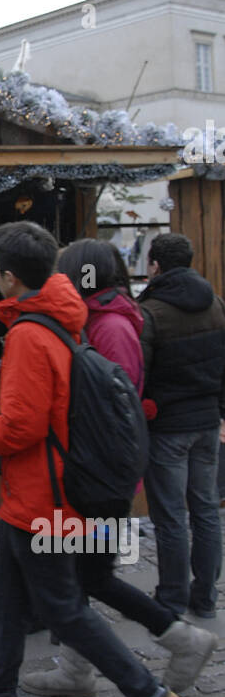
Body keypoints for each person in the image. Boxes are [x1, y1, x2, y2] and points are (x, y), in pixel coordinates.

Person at [0, 221, 192, 697]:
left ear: (9, 277)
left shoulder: (32, 333)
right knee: (6, 600)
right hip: (37, 497)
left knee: (61, 606)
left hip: (44, 499)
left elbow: (21, 426)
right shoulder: (59, 321)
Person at [19, 238, 217, 696]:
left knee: (87, 573)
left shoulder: (109, 326)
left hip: (99, 476)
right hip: (96, 471)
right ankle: (81, 666)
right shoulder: (98, 319)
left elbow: (113, 404)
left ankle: (167, 653)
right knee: (80, 572)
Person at [138, 232, 225, 619]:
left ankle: (171, 598)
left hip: (168, 426)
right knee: (206, 510)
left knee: (171, 516)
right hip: (207, 423)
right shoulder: (216, 304)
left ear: (155, 265)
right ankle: (205, 597)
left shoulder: (152, 312)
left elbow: (140, 374)